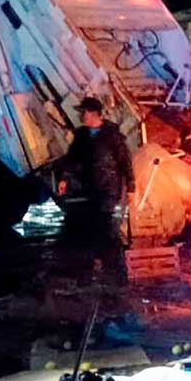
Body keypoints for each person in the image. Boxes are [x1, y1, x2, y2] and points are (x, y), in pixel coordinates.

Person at [58, 97, 135, 286]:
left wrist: (131, 186)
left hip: (108, 189)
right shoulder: (81, 136)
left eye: (83, 112)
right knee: (88, 229)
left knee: (108, 230)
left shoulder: (112, 136)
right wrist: (64, 178)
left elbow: (125, 162)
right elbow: (72, 159)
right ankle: (88, 273)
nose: (81, 116)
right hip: (88, 190)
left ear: (94, 114)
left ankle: (117, 274)